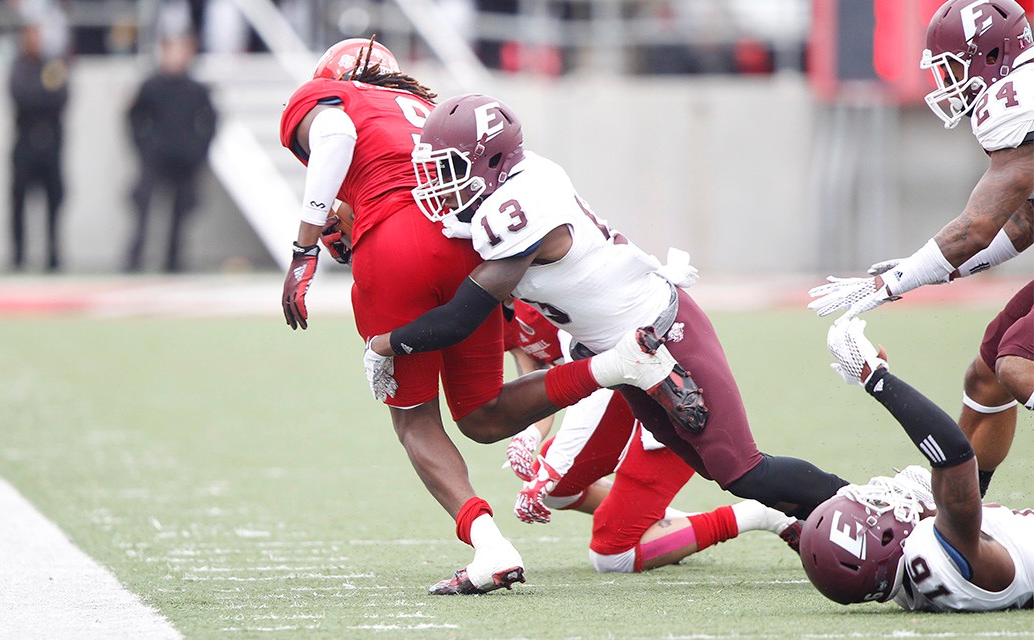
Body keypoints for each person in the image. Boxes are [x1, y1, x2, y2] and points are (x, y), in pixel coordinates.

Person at [277, 38, 675, 595]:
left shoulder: (327, 99)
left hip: (394, 247)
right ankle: (614, 366)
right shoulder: (419, 108)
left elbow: (339, 136)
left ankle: (491, 545)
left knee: (415, 419)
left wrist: (305, 247)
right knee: (482, 415)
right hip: (463, 237)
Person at [363, 92, 850, 521]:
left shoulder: (516, 210)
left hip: (662, 334)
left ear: (492, 162)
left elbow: (460, 319)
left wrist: (382, 345)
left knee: (743, 469)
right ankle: (824, 520)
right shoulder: (516, 181)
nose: (438, 183)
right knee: (718, 469)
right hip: (629, 354)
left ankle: (868, 505)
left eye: (450, 168)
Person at [807, 0, 1033, 498]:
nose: (946, 80)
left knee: (1019, 365)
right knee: (988, 374)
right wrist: (934, 270)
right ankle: (957, 501)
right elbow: (1024, 221)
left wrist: (893, 283)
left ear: (991, 55)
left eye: (953, 63)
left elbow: (977, 225)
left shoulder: (1018, 100)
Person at [502, 299, 803, 572]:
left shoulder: (552, 287)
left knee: (613, 557)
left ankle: (762, 514)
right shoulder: (504, 310)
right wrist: (530, 434)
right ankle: (660, 522)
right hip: (622, 397)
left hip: (670, 403)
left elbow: (595, 383)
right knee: (553, 488)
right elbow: (542, 387)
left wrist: (553, 468)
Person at [799, 317, 1033, 611]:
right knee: (1014, 370)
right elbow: (953, 455)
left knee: (983, 379)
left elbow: (966, 472)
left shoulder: (914, 581)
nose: (886, 491)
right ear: (886, 539)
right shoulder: (938, 552)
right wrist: (874, 377)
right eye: (876, 506)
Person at [125, 32, 217, 273]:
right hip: (156, 158)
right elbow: (134, 117)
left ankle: (174, 260)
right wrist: (144, 146)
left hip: (185, 159)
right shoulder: (152, 85)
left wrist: (198, 150)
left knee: (181, 211)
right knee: (143, 207)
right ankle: (134, 258)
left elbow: (210, 121)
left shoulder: (196, 89)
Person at [9, 21, 69, 272]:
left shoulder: (52, 66)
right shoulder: (18, 67)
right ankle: (19, 257)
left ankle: (53, 256)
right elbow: (21, 97)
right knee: (19, 202)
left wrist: (41, 96)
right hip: (24, 143)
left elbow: (61, 98)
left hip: (51, 143)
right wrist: (42, 94)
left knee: (54, 201)